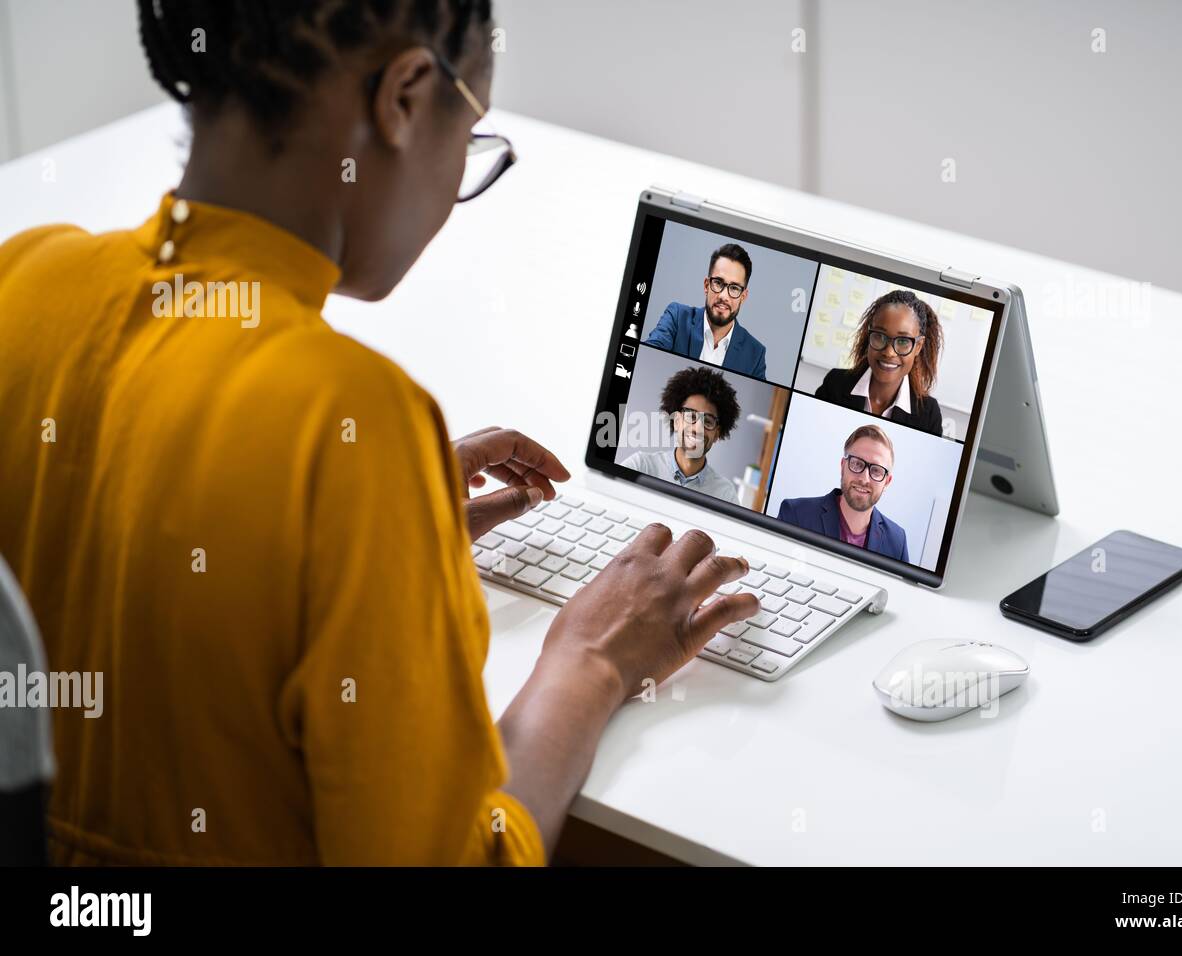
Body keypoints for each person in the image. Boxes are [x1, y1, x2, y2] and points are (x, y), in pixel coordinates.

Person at [0, 0, 760, 866]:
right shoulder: (352, 421)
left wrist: (374, 532)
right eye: (470, 144)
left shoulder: (22, 279)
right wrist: (592, 661)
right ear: (403, 96)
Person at [814, 289, 944, 436]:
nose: (889, 352)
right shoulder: (835, 385)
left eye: (903, 341)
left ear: (918, 347)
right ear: (869, 335)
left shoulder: (928, 414)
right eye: (880, 336)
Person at [777, 424, 909, 562]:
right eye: (857, 464)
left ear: (887, 482)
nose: (864, 479)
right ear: (842, 466)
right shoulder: (795, 513)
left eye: (876, 471)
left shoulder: (897, 541)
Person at [643, 243, 768, 379]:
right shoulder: (677, 317)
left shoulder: (755, 354)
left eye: (734, 288)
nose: (723, 296)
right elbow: (646, 360)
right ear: (706, 285)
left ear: (743, 297)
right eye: (718, 283)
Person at [619, 366, 740, 503]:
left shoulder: (725, 493)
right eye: (691, 416)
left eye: (708, 421)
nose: (697, 428)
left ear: (717, 434)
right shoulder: (641, 465)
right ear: (676, 421)